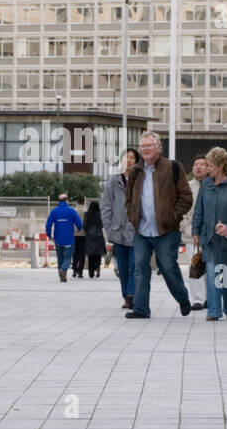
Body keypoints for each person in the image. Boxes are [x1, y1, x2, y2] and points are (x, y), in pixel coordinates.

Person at [124, 132, 193, 319]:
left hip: (166, 230)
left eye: (149, 146)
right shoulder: (135, 171)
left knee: (169, 267)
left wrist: (173, 216)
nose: (145, 149)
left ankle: (183, 298)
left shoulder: (173, 168)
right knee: (140, 269)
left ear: (158, 148)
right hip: (142, 230)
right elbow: (128, 198)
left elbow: (186, 198)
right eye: (142, 146)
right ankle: (141, 308)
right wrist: (132, 216)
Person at [192, 146, 227, 321]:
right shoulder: (206, 184)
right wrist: (195, 231)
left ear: (221, 166)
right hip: (209, 240)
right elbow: (198, 209)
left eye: (211, 165)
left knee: (226, 279)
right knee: (212, 273)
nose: (208, 169)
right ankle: (213, 311)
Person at [101, 148, 139, 310]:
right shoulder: (113, 182)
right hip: (118, 231)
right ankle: (127, 296)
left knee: (134, 266)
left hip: (136, 232)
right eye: (125, 157)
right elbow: (106, 206)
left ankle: (131, 294)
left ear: (137, 162)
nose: (128, 160)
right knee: (122, 268)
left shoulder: (141, 180)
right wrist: (109, 227)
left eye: (132, 158)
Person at [181, 155, 209, 312]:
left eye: (202, 165)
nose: (198, 167)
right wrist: (185, 225)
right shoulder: (187, 186)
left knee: (212, 267)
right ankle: (197, 299)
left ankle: (212, 297)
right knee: (195, 266)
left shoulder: (213, 185)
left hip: (211, 234)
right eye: (195, 164)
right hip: (191, 233)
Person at [45, 194, 83, 282]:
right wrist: (79, 228)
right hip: (69, 238)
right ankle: (63, 270)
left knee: (60, 257)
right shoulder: (71, 211)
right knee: (68, 257)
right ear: (67, 201)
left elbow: (48, 224)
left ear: (59, 201)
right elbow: (79, 222)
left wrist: (49, 235)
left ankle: (62, 274)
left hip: (58, 238)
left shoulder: (54, 211)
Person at [83, 200, 106, 278]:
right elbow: (102, 225)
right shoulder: (100, 215)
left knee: (91, 254)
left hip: (90, 234)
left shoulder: (87, 214)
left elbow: (85, 225)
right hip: (99, 234)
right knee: (98, 253)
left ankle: (91, 272)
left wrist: (88, 231)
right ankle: (97, 267)